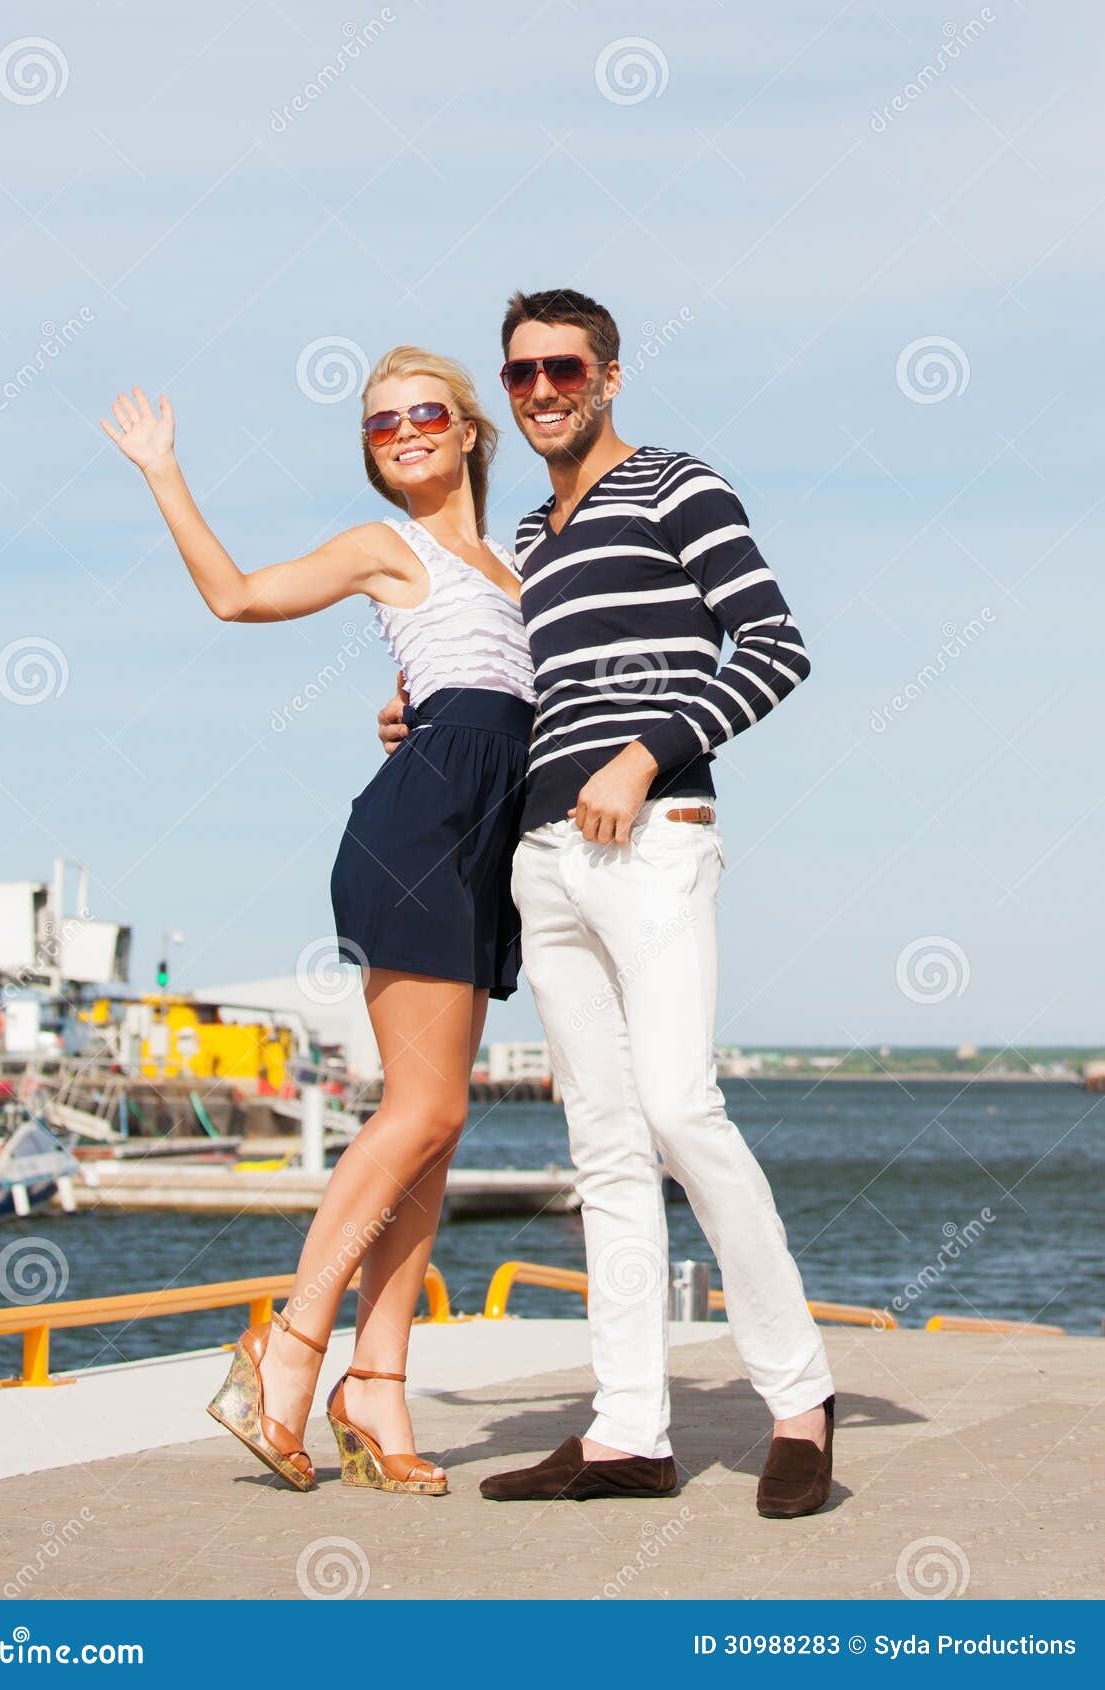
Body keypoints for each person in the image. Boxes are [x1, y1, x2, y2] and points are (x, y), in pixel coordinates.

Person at [378, 289, 836, 1516]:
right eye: (519, 374)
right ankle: (629, 1430)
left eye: (562, 367)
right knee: (604, 1149)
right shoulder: (526, 537)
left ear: (610, 375)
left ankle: (800, 1397)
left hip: (657, 835)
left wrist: (647, 756)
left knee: (684, 1110)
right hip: (544, 857)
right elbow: (533, 689)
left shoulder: (678, 484)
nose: (539, 390)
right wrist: (427, 720)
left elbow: (777, 645)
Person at [100, 346, 535, 1494]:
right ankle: (289, 1344)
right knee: (425, 1104)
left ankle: (379, 1388)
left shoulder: (521, 563)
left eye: (423, 413)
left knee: (437, 1134)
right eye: (381, 425)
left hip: (491, 847)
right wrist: (163, 471)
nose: (403, 434)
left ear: (471, 429)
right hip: (417, 835)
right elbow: (238, 596)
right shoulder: (386, 548)